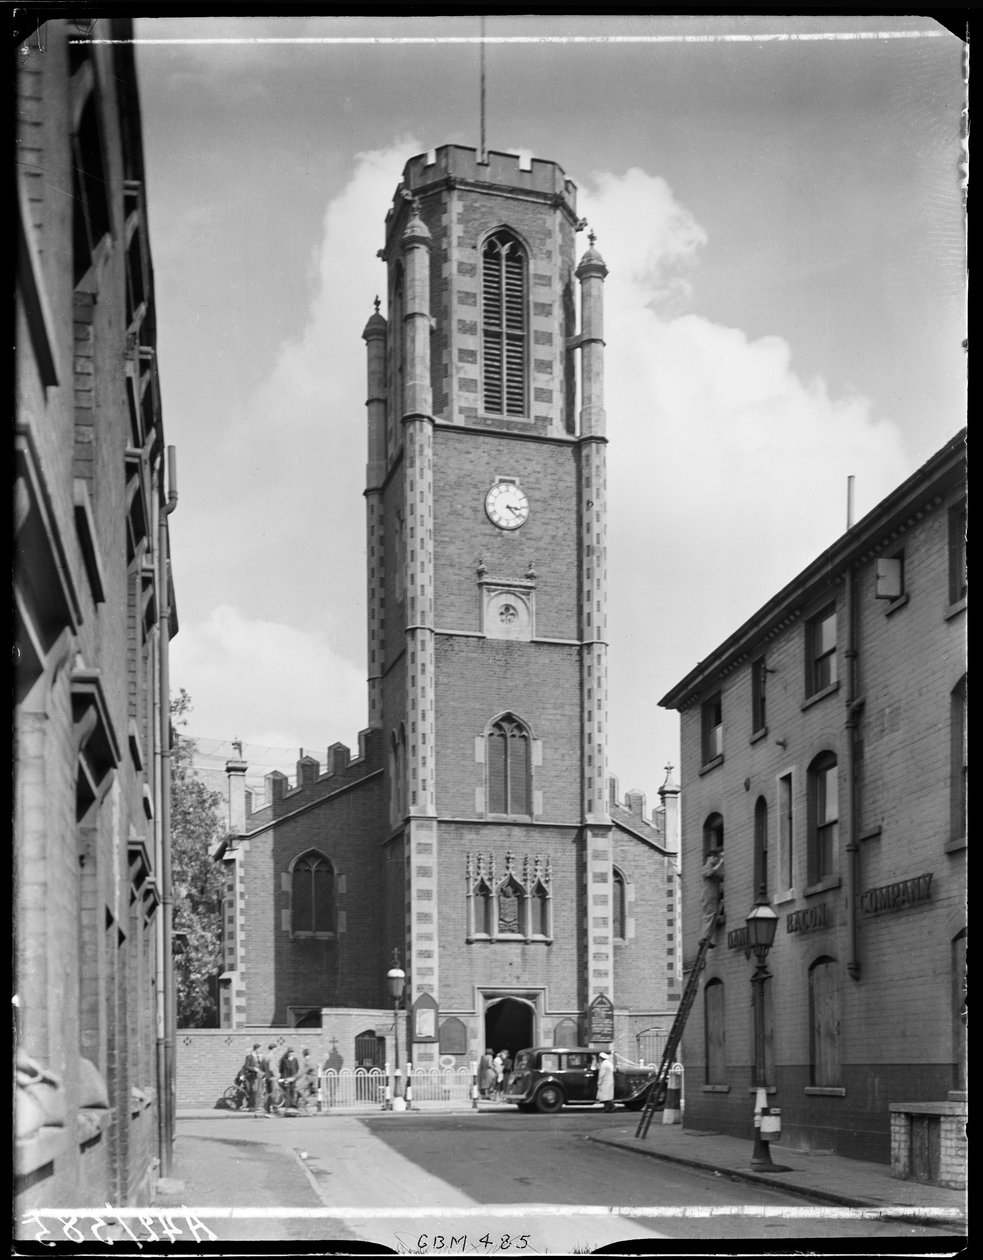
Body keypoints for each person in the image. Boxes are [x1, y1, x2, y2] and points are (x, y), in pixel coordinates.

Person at [700, 849, 725, 944]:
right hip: (708, 896)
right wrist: (721, 863)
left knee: (710, 915)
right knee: (709, 916)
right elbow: (710, 873)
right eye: (714, 858)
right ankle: (704, 938)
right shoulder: (705, 868)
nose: (715, 860)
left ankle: (706, 937)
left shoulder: (714, 870)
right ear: (709, 858)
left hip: (713, 897)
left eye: (716, 858)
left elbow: (720, 877)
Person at [243, 1043, 262, 1110]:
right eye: (259, 1049)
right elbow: (246, 1066)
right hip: (252, 1076)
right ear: (256, 1049)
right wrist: (254, 1068)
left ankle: (257, 1106)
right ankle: (251, 1106)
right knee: (253, 1091)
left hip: (259, 1076)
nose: (260, 1050)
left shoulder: (259, 1056)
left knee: (259, 1091)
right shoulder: (249, 1057)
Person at [261, 1043, 278, 1112]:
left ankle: (267, 1108)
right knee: (274, 1093)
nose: (276, 1050)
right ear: (273, 1049)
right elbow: (271, 1068)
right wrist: (276, 1075)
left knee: (268, 1093)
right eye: (276, 1048)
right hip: (272, 1078)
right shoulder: (272, 1056)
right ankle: (275, 1108)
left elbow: (262, 1068)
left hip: (267, 1077)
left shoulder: (265, 1056)